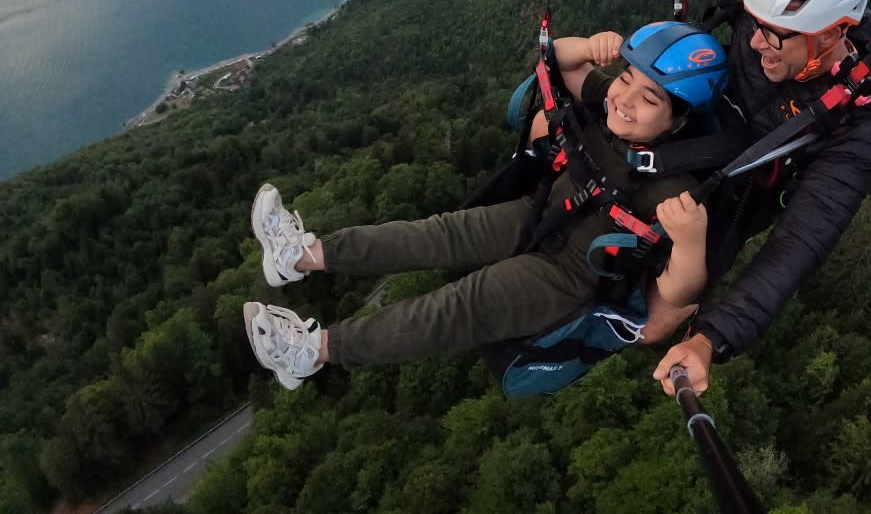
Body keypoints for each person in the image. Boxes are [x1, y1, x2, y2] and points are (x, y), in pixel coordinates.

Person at [591, 0, 871, 395]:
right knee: (568, 102)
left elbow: (799, 244)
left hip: (737, 186)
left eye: (781, 38)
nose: (761, 44)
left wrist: (710, 337)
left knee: (655, 323)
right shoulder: (761, 10)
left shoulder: (857, 126)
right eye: (757, 26)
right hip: (695, 117)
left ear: (836, 33)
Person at [243, 21, 728, 390]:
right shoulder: (613, 103)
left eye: (649, 99)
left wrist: (690, 239)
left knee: (460, 307)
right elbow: (558, 63)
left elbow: (681, 291)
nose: (624, 99)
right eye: (625, 78)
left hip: (570, 275)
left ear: (677, 121)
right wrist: (588, 48)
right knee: (438, 233)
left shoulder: (672, 186)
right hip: (539, 214)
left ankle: (311, 352)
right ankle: (300, 257)